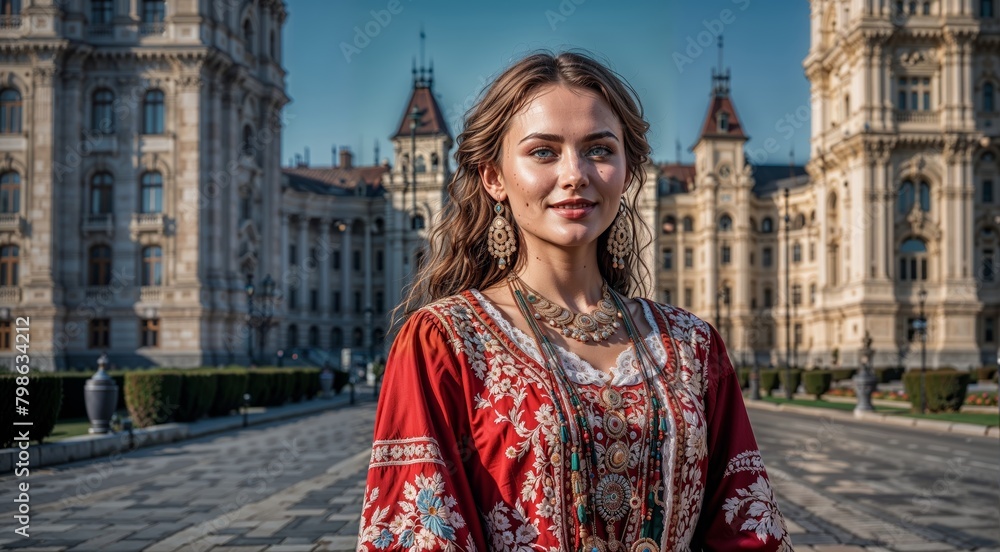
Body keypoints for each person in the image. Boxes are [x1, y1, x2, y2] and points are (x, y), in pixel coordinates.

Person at [357, 51, 791, 552]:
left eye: (600, 150)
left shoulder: (693, 346)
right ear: (493, 176)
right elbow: (418, 534)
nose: (575, 173)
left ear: (628, 171)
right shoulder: (445, 342)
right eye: (543, 151)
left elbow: (746, 529)